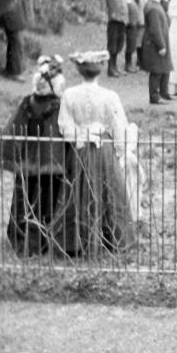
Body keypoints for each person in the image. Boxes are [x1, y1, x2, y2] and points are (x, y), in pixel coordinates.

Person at [57, 50, 137, 256]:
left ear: (79, 70)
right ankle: (112, 239)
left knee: (80, 190)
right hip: (104, 149)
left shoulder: (69, 94)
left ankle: (78, 241)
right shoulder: (109, 96)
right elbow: (119, 126)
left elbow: (65, 127)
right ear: (99, 71)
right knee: (109, 189)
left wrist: (81, 134)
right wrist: (122, 150)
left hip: (81, 150)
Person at [0, 56, 72, 256]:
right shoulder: (57, 106)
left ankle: (20, 240)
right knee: (47, 202)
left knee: (23, 199)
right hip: (52, 164)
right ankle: (40, 243)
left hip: (27, 164)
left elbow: (15, 129)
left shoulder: (28, 103)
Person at [139, 0, 173, 105]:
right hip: (155, 43)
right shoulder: (152, 7)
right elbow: (155, 29)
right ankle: (154, 96)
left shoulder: (156, 4)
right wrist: (161, 45)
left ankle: (164, 92)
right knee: (157, 70)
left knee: (165, 68)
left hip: (162, 40)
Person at [90, 0, 129, 78]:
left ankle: (115, 67)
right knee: (112, 46)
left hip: (122, 22)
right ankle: (110, 69)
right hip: (114, 22)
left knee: (119, 45)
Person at [122, 0, 142, 73]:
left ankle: (130, 64)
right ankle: (128, 64)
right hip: (130, 26)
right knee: (130, 45)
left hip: (135, 25)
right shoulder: (126, 2)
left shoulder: (133, 2)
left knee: (133, 44)